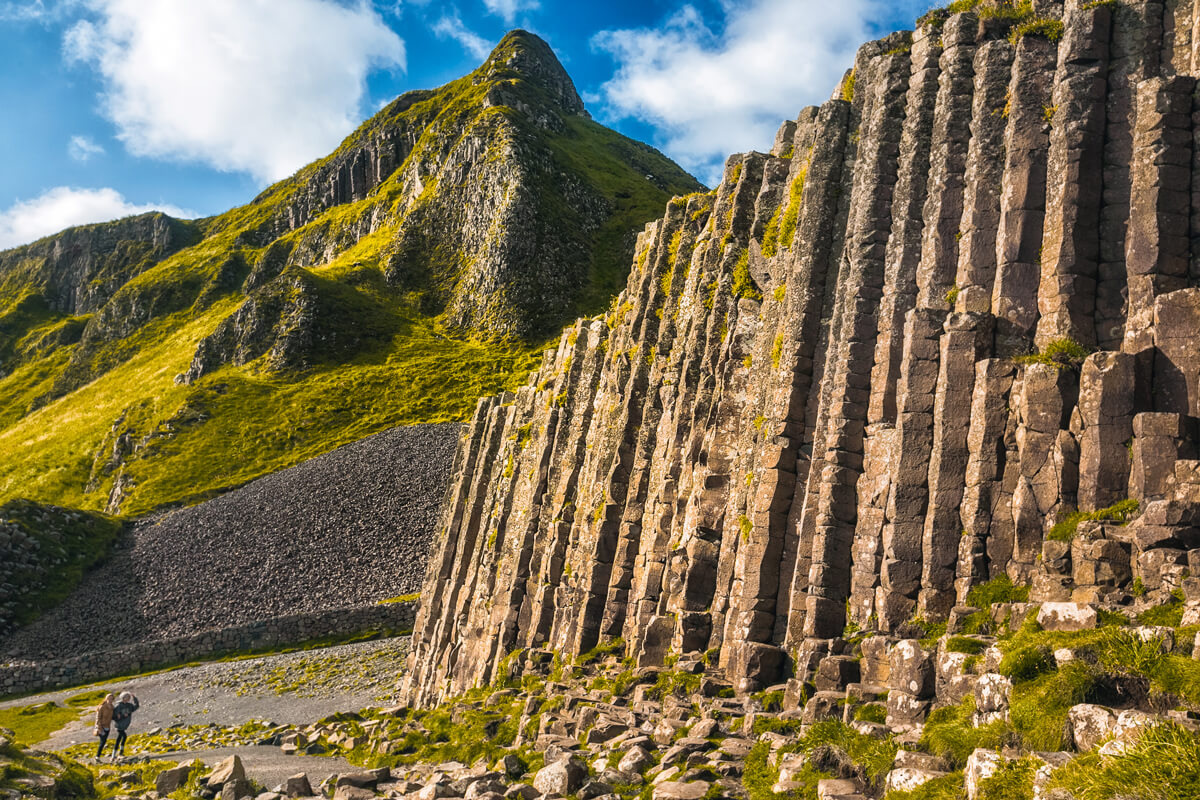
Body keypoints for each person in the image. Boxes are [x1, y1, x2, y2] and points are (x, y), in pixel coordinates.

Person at [111, 691, 139, 759]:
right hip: (119, 725)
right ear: (123, 697)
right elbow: (114, 717)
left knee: (119, 739)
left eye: (129, 697)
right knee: (124, 737)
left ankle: (114, 755)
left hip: (125, 725)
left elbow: (136, 706)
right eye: (127, 697)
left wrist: (134, 698)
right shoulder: (118, 706)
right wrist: (123, 716)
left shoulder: (129, 705)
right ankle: (120, 752)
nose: (128, 698)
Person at [93, 694, 115, 759]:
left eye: (112, 699)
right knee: (103, 741)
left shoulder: (112, 707)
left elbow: (112, 716)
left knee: (103, 741)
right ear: (106, 699)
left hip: (107, 727)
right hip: (101, 727)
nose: (110, 700)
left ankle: (98, 756)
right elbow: (98, 718)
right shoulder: (102, 707)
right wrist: (99, 727)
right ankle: (97, 756)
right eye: (109, 698)